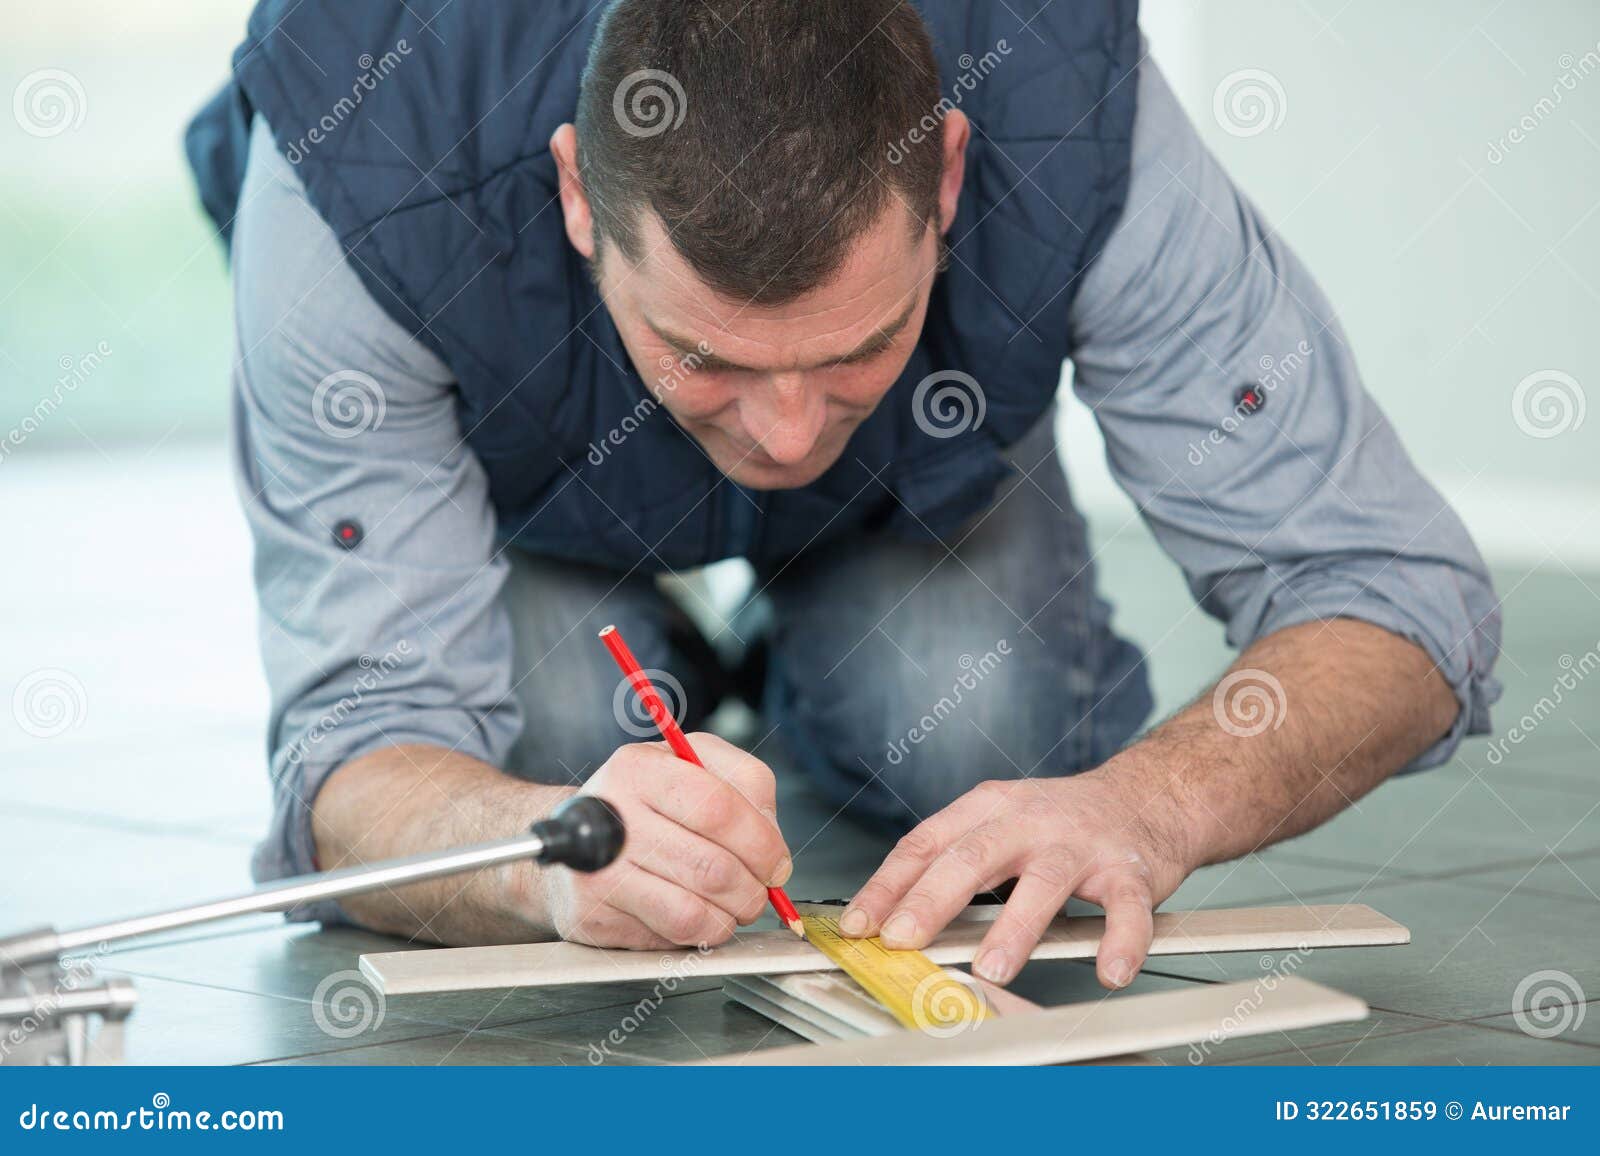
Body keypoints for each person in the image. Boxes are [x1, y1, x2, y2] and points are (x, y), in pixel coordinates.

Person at [187, 0, 1500, 989]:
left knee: (977, 731)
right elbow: (354, 766)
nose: (789, 432)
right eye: (705, 358)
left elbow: (1395, 593)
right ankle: (659, 698)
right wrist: (543, 863)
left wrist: (1149, 805)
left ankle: (791, 674)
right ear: (580, 193)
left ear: (949, 176)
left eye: (858, 347)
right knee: (561, 762)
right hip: (531, 495)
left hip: (916, 479)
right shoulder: (359, 163)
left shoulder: (1072, 103)